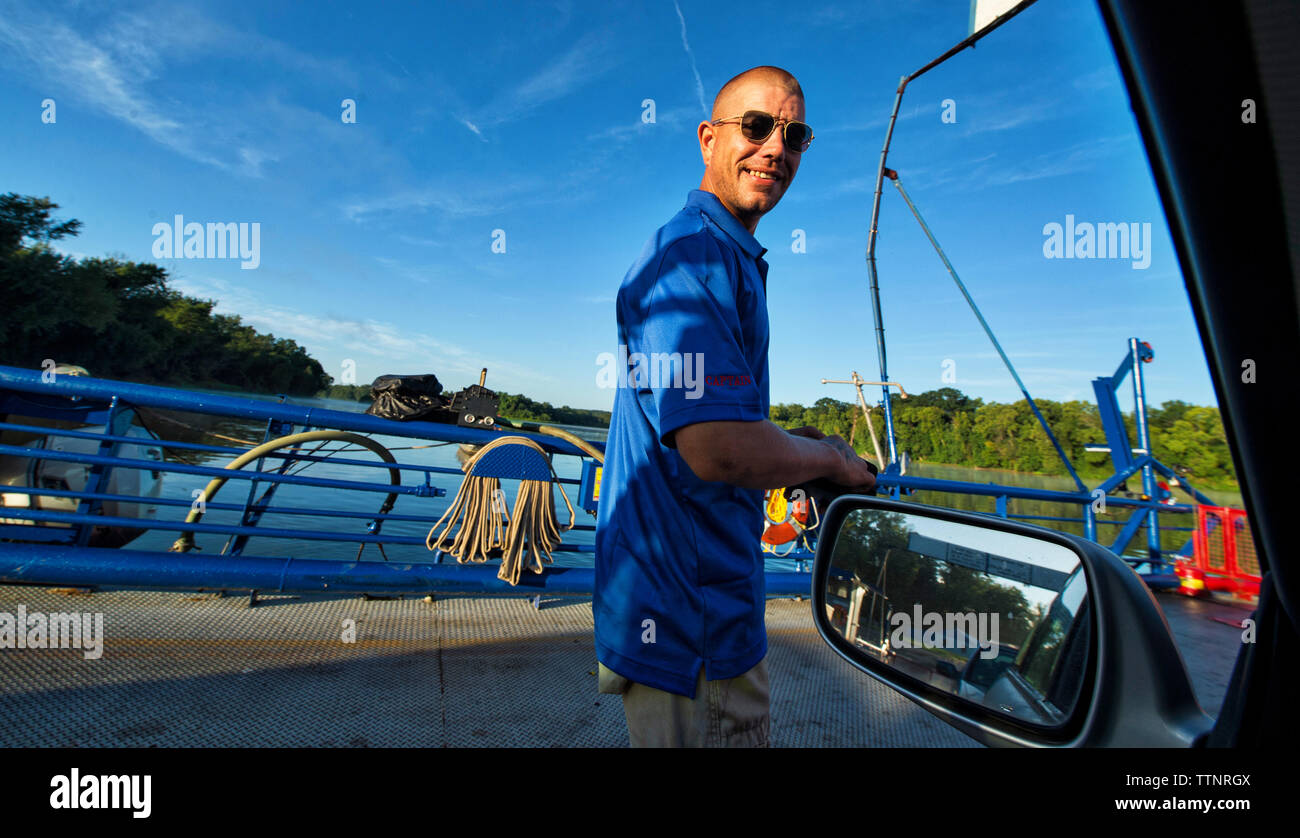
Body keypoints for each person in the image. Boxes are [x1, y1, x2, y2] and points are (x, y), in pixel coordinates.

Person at [593, 65, 878, 747]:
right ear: (708, 139)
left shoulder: (724, 256)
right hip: (693, 624)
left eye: (795, 134)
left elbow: (724, 422)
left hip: (686, 612)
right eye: (755, 127)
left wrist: (794, 444)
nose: (775, 148)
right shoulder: (692, 255)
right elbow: (715, 444)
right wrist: (831, 462)